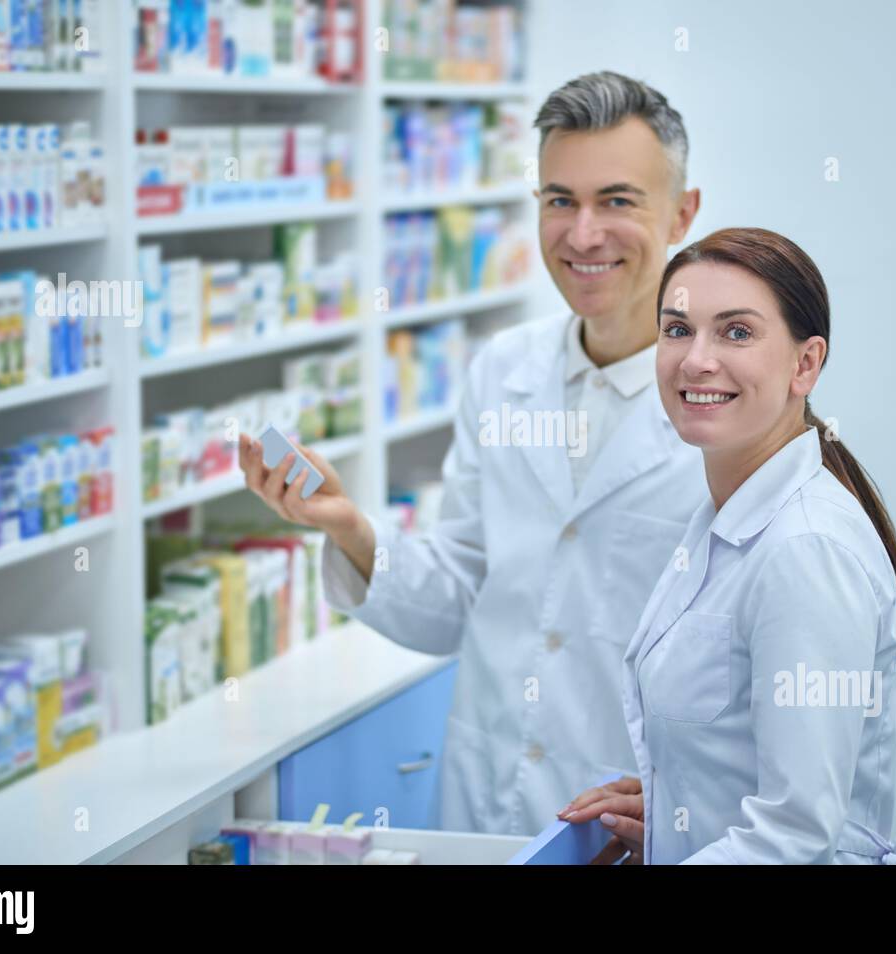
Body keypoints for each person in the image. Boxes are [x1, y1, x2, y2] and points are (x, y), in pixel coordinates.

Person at [237, 72, 706, 835]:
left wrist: (698, 798)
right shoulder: (501, 370)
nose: (583, 234)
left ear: (683, 213)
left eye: (617, 201)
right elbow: (462, 594)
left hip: (641, 819)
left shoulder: (719, 400)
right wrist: (347, 526)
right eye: (560, 200)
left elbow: (750, 648)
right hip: (490, 799)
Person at [560, 228, 896, 863]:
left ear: (805, 364)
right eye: (677, 330)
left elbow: (795, 835)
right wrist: (679, 810)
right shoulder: (727, 516)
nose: (696, 360)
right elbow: (759, 773)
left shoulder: (804, 550)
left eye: (736, 332)